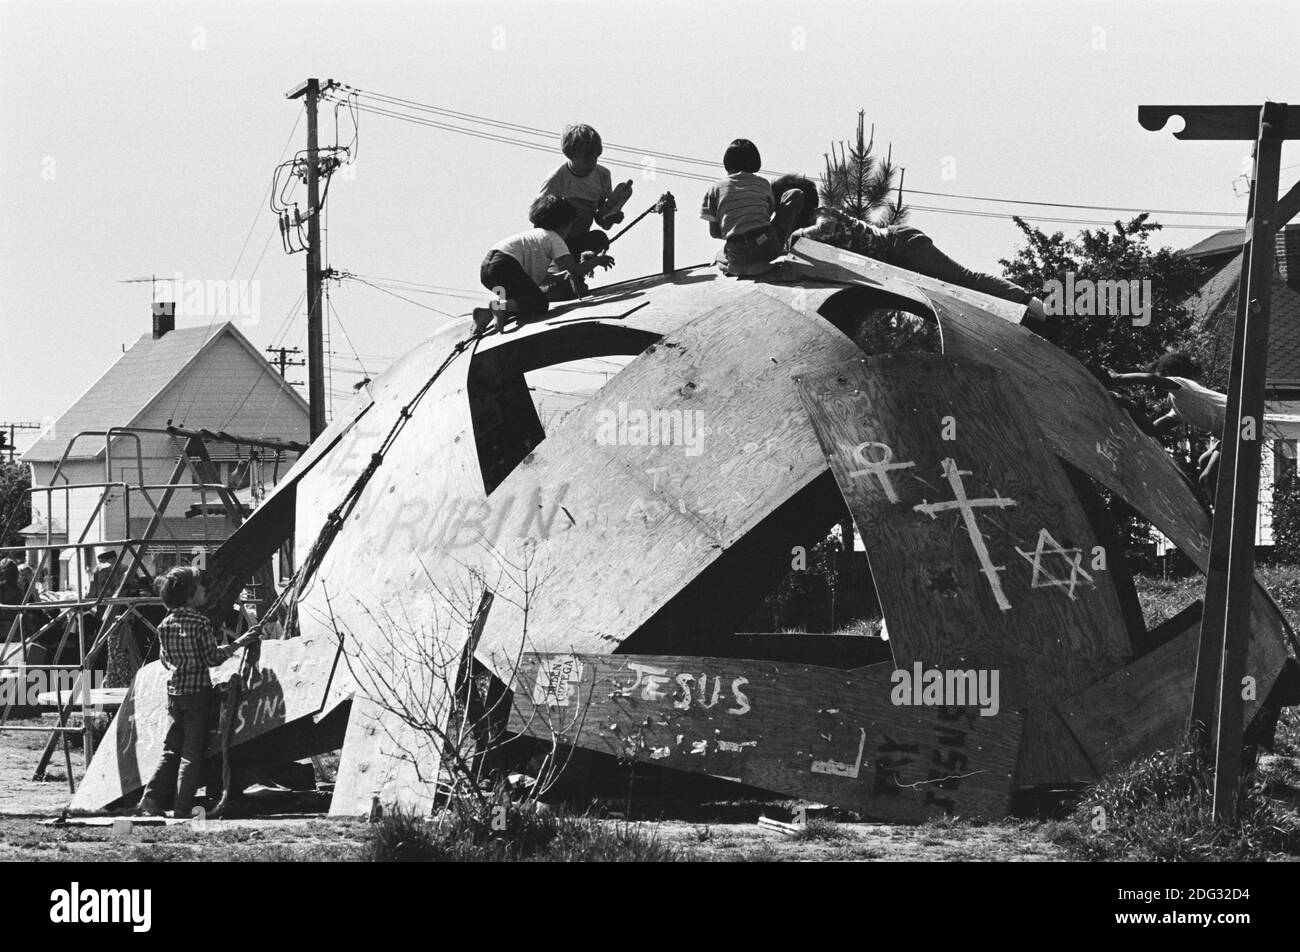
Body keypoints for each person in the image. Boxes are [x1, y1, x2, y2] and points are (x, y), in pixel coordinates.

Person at [773, 174, 1053, 337]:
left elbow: (827, 227)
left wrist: (794, 237)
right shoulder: (811, 238)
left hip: (901, 244)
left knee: (961, 279)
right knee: (958, 285)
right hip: (895, 254)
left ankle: (1032, 303)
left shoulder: (821, 217)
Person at [136, 566, 256, 818]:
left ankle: (150, 800)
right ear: (190, 595)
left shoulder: (164, 625)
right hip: (198, 696)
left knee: (171, 751)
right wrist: (239, 643)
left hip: (174, 694)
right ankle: (181, 808)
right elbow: (212, 658)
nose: (205, 590)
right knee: (191, 755)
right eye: (200, 587)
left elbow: (166, 661)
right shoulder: (201, 622)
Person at [474, 195, 614, 332]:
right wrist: (597, 261)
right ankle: (498, 306)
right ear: (563, 224)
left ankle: (486, 314)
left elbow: (541, 278)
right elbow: (574, 270)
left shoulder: (534, 236)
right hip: (505, 265)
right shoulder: (554, 238)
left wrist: (561, 276)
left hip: (489, 268)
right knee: (540, 303)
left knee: (523, 303)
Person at [1106, 352, 1228, 492]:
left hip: (1243, 421)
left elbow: (1153, 379)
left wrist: (1118, 377)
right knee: (1204, 461)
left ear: (1166, 374)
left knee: (1207, 476)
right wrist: (1129, 405)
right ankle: (1217, 510)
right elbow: (1152, 429)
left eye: (1157, 378)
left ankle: (1220, 513)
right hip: (1232, 431)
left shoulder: (1184, 385)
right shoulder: (1178, 407)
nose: (1152, 389)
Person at [701, 140, 805, 276]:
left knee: (721, 254)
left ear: (727, 162)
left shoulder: (715, 188)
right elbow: (768, 215)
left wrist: (736, 232)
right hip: (765, 244)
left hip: (735, 251)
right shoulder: (762, 184)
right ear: (755, 163)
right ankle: (758, 263)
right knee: (795, 194)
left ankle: (736, 265)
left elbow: (714, 233)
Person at [536, 123, 634, 259]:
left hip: (579, 241)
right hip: (556, 243)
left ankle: (578, 275)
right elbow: (537, 220)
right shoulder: (557, 179)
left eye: (595, 157)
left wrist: (612, 213)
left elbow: (602, 221)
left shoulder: (602, 175)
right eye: (587, 158)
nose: (592, 163)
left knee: (600, 239)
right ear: (570, 154)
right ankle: (561, 275)